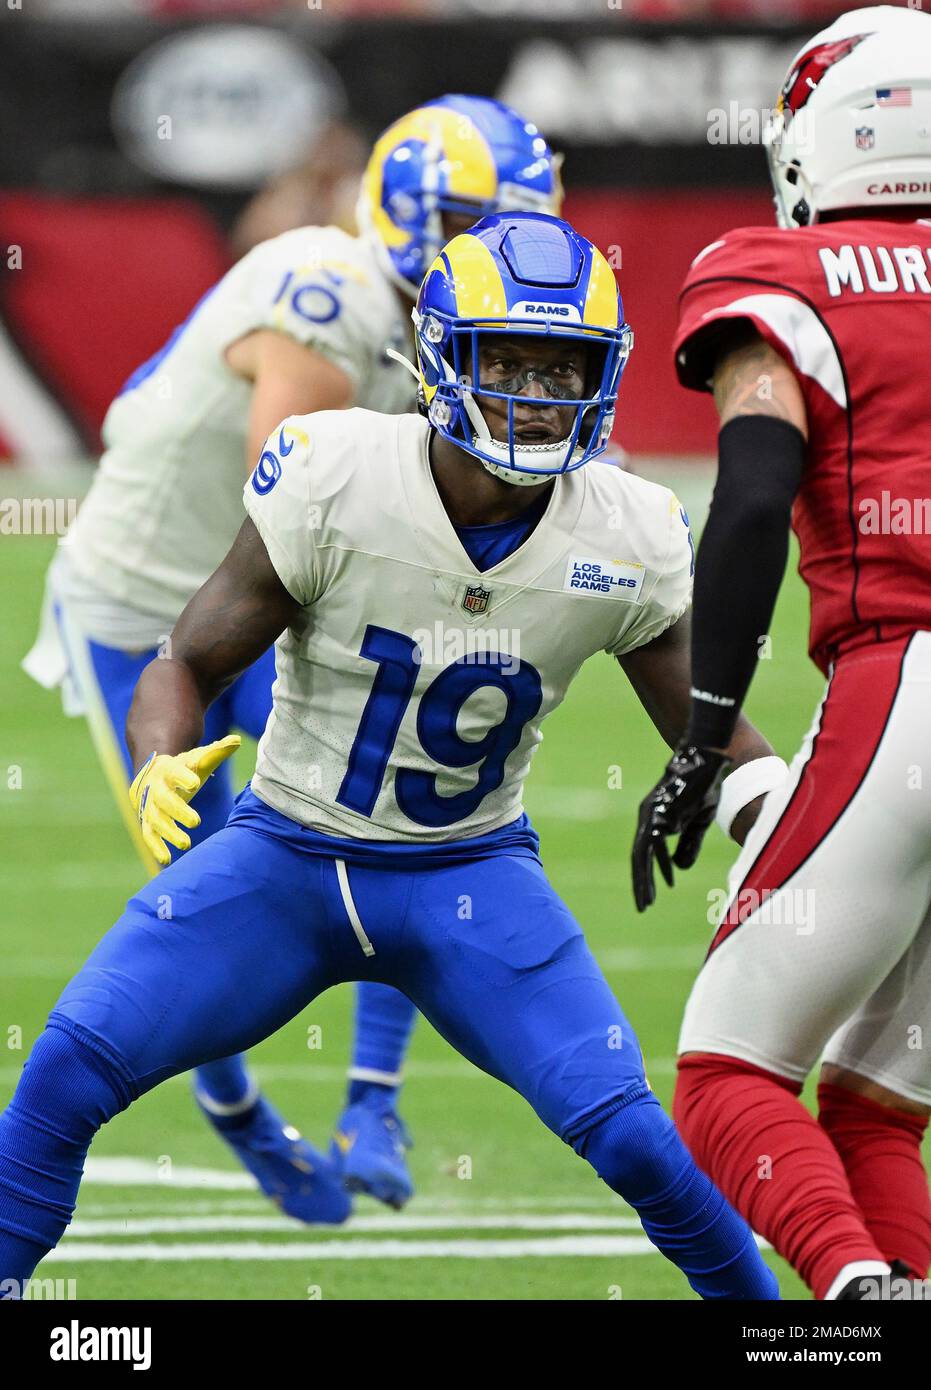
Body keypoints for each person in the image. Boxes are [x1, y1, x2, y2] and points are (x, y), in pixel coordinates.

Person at [0, 211, 780, 1300]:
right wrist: (156, 758)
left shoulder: (628, 532)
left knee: (639, 1144)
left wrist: (790, 828)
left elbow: (711, 732)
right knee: (64, 1070)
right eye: (506, 358)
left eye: (563, 368)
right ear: (439, 356)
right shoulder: (337, 471)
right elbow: (184, 657)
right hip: (282, 859)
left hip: (469, 874)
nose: (534, 391)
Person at [22, 95, 562, 1219]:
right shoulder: (333, 292)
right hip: (144, 604)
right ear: (416, 213)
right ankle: (237, 1113)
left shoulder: (444, 320)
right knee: (200, 880)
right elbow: (301, 496)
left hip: (265, 589)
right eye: (475, 222)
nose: (496, 253)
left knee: (397, 800)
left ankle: (373, 1100)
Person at [633, 5, 931, 1301]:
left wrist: (703, 735)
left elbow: (752, 499)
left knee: (723, 1073)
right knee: (873, 1104)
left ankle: (853, 1308)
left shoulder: (777, 273)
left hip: (903, 679)